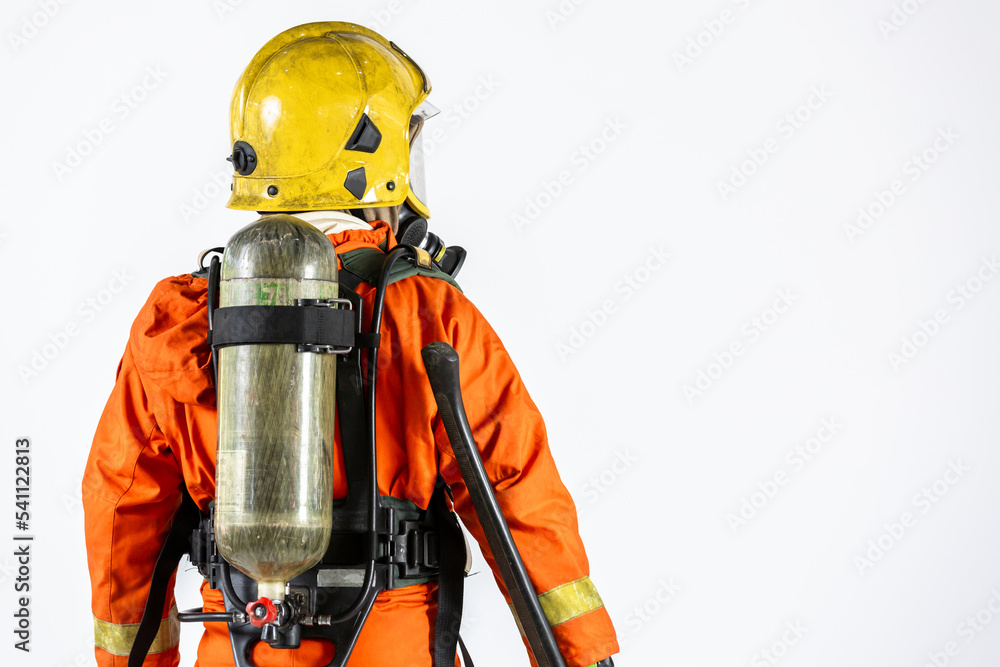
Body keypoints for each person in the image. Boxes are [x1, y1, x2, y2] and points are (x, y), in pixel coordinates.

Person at [83, 21, 619, 667]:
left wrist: (133, 661)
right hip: (390, 646)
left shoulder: (181, 320)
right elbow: (517, 491)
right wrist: (581, 654)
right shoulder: (425, 309)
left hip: (238, 641)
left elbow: (121, 503)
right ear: (375, 155)